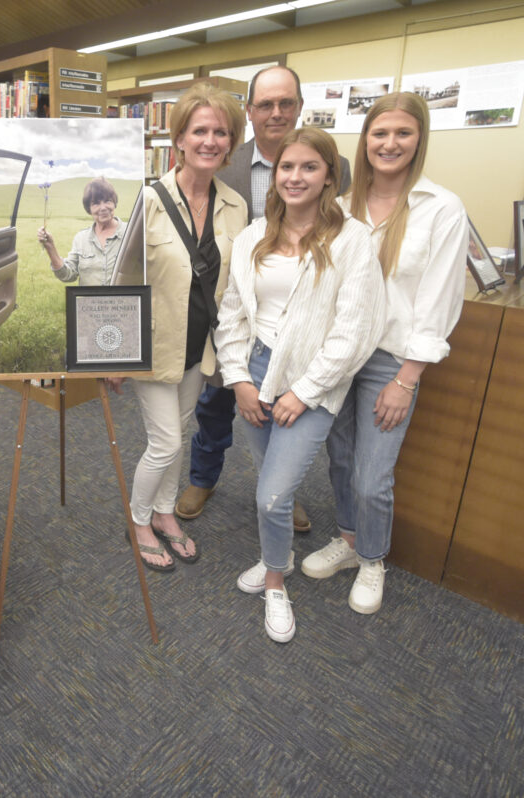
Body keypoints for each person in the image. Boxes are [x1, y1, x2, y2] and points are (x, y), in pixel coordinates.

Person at [302, 92, 468, 614]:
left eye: (402, 133)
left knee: (373, 476)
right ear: (365, 139)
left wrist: (406, 378)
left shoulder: (441, 208)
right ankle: (349, 541)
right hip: (338, 353)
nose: (390, 143)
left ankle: (373, 559)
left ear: (419, 139)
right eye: (380, 133)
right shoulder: (340, 204)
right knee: (339, 458)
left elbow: (440, 299)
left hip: (390, 362)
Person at [216, 127, 384, 643]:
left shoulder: (352, 239)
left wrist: (304, 392)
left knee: (271, 497)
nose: (295, 177)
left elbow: (355, 331)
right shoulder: (253, 236)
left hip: (313, 382)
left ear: (330, 176)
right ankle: (282, 557)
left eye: (309, 167)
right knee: (270, 480)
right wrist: (238, 379)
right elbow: (232, 315)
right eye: (286, 167)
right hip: (256, 373)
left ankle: (274, 583)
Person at [177, 66, 352, 531]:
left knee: (286, 417)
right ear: (249, 111)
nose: (276, 113)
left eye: (286, 103)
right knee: (215, 405)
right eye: (266, 104)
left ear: (299, 107)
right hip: (228, 313)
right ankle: (202, 477)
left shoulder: (334, 164)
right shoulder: (222, 160)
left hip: (297, 321)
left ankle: (280, 491)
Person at [108, 83, 248, 572]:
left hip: (199, 347)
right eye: (199, 130)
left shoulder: (236, 206)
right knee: (165, 441)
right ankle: (139, 520)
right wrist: (115, 355)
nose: (210, 141)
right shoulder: (147, 199)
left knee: (181, 433)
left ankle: (166, 514)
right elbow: (122, 278)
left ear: (230, 143)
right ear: (180, 140)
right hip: (151, 346)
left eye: (220, 132)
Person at [37, 177, 124, 286]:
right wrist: (50, 248)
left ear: (114, 203)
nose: (103, 207)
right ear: (89, 209)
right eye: (96, 203)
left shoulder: (131, 234)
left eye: (107, 201)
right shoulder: (81, 239)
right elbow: (68, 275)